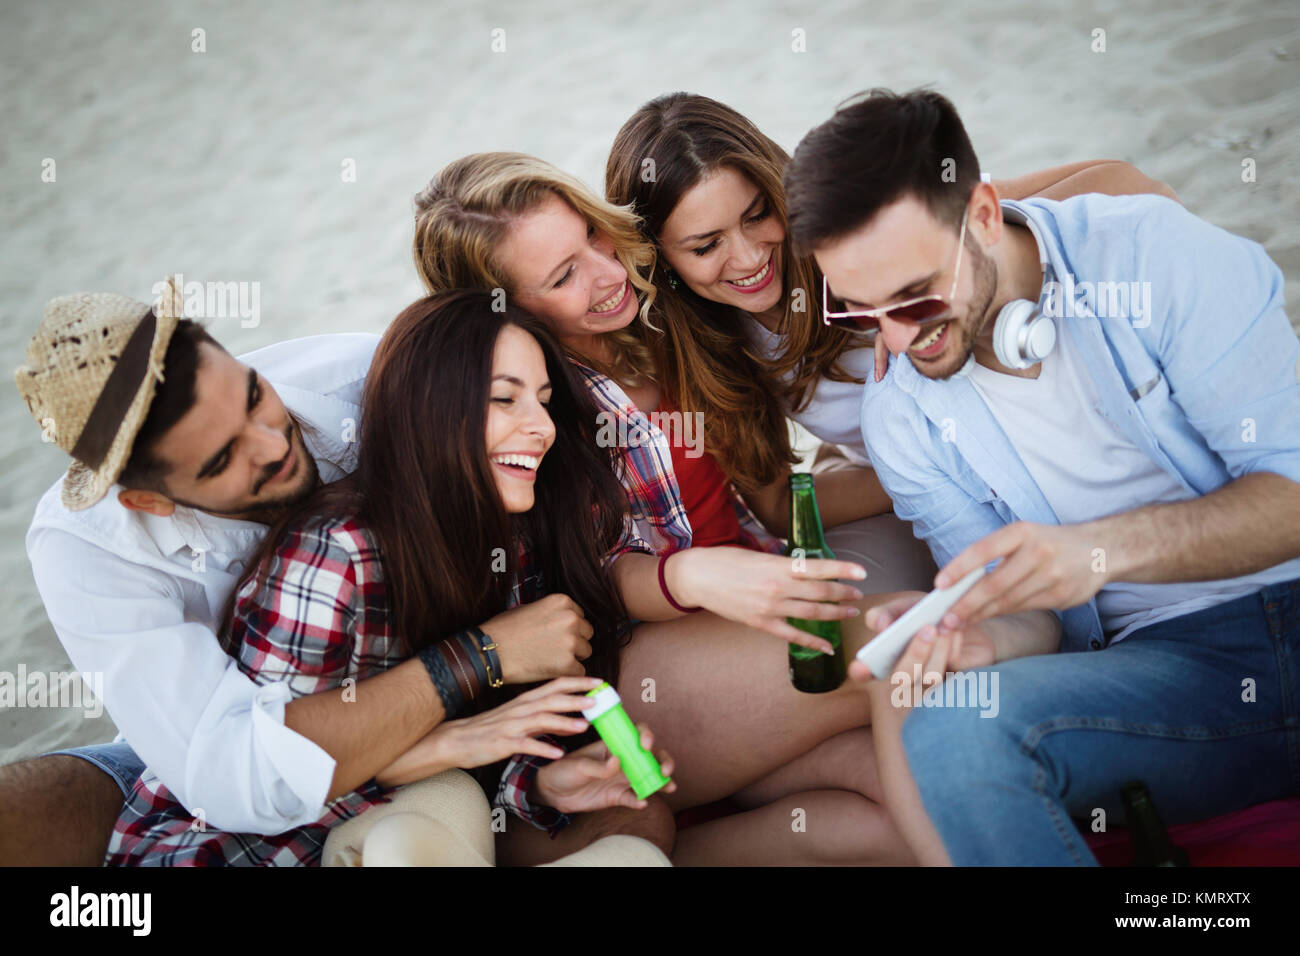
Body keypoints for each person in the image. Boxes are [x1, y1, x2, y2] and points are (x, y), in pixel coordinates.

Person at [411, 153, 1061, 865]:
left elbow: (775, 491)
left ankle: (664, 851)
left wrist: (907, 310)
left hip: (741, 633)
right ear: (504, 311)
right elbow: (581, 577)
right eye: (564, 276)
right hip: (637, 672)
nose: (606, 274)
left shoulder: (661, 318)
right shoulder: (529, 410)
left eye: (595, 238)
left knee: (887, 817)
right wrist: (689, 576)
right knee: (910, 642)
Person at [784, 87, 1300, 865]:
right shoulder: (900, 416)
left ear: (985, 215)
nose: (895, 340)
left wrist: (1098, 552)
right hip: (1169, 677)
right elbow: (1041, 619)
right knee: (957, 727)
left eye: (915, 297)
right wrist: (974, 634)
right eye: (857, 312)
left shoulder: (1153, 257)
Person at [4, 279, 608, 865]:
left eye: (252, 398)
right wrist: (482, 656)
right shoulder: (88, 553)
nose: (272, 444)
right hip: (201, 736)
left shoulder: (365, 378)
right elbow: (239, 778)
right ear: (151, 501)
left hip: (382, 722)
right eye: (222, 458)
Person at [603, 91, 1179, 592]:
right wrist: (925, 473)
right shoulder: (703, 351)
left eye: (758, 215)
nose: (751, 257)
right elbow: (779, 507)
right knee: (883, 627)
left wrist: (917, 298)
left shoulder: (862, 230)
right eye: (706, 246)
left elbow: (1126, 184)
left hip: (1040, 452)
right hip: (904, 487)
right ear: (661, 259)